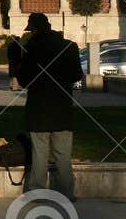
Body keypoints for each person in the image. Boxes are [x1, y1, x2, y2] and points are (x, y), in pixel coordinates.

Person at [10, 13, 83, 201]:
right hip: (62, 107)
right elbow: (76, 75)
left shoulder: (31, 48)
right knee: (63, 155)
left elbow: (25, 80)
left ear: (34, 29)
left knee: (40, 155)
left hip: (39, 108)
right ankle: (67, 192)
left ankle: (37, 193)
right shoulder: (70, 46)